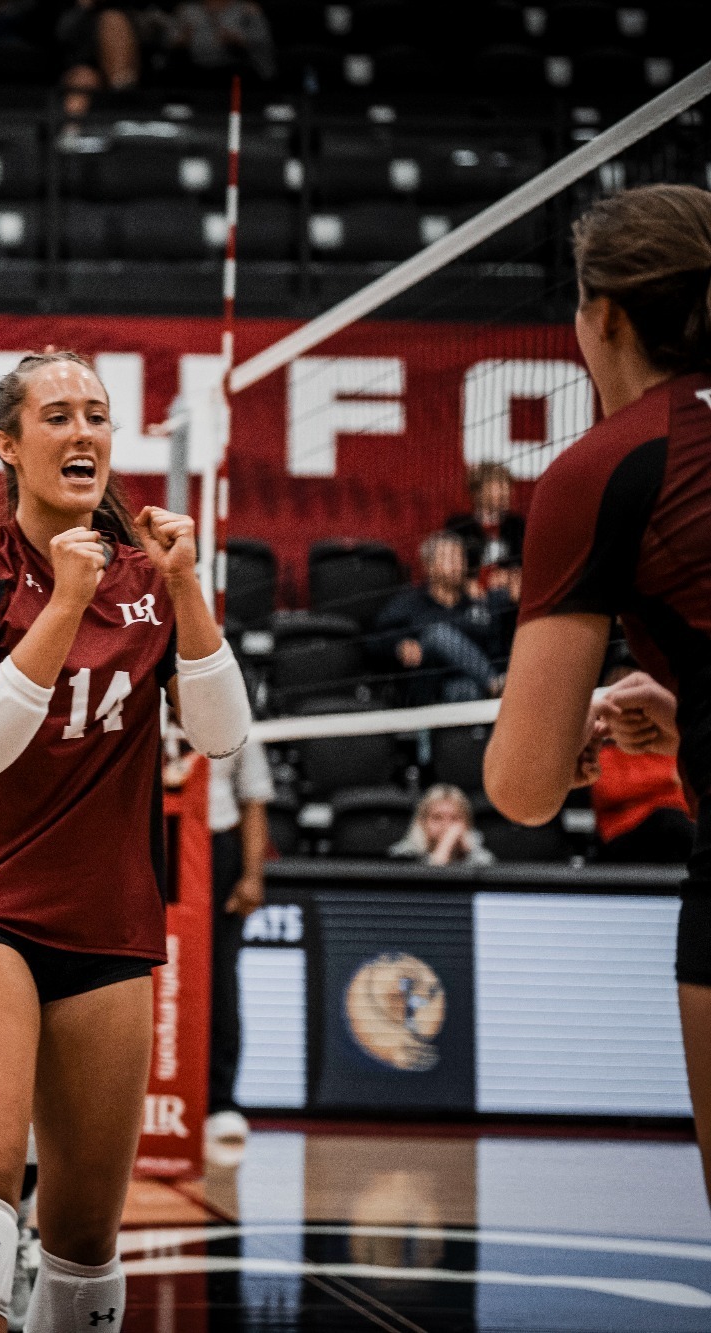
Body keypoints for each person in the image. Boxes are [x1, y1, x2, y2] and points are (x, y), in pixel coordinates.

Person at [0, 350, 249, 1333]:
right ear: (7, 446)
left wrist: (186, 589)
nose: (83, 431)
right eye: (56, 414)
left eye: (96, 414)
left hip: (107, 924)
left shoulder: (151, 576)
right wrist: (64, 599)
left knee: (86, 1239)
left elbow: (222, 735)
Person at [484, 186, 711, 1205]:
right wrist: (692, 713)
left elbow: (524, 787)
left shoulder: (608, 465)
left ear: (603, 315)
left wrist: (563, 734)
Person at [206, 736, 272, 1147]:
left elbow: (254, 800)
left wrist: (252, 876)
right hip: (142, 842)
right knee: (133, 975)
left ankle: (220, 1102)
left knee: (219, 977)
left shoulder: (234, 715)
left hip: (213, 847)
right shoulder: (130, 704)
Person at [375, 530, 514, 703]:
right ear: (429, 566)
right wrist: (399, 645)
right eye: (449, 558)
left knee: (464, 689)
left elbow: (499, 646)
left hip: (469, 687)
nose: (457, 564)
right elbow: (376, 638)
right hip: (427, 688)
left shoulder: (478, 602)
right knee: (438, 634)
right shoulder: (410, 601)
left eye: (460, 557)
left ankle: (494, 686)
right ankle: (495, 684)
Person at [590, 674, 695, 864]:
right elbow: (609, 789)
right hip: (626, 831)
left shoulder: (672, 744)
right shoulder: (609, 751)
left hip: (680, 826)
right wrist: (669, 777)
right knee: (669, 820)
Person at [445, 461, 526, 587]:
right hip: (469, 591)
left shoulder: (518, 525)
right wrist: (467, 584)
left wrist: (511, 575)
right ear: (478, 492)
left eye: (508, 486)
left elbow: (524, 562)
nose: (506, 491)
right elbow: (448, 565)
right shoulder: (459, 525)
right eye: (499, 485)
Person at [169, 0, 275, 82]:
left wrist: (240, 42)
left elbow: (263, 44)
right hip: (193, 70)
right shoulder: (186, 10)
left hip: (236, 70)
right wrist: (182, 40)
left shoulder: (248, 9)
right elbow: (170, 42)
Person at [389, 784, 494, 867]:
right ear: (422, 822)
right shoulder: (402, 856)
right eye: (437, 817)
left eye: (454, 818)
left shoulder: (481, 860)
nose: (446, 825)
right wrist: (446, 845)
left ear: (467, 823)